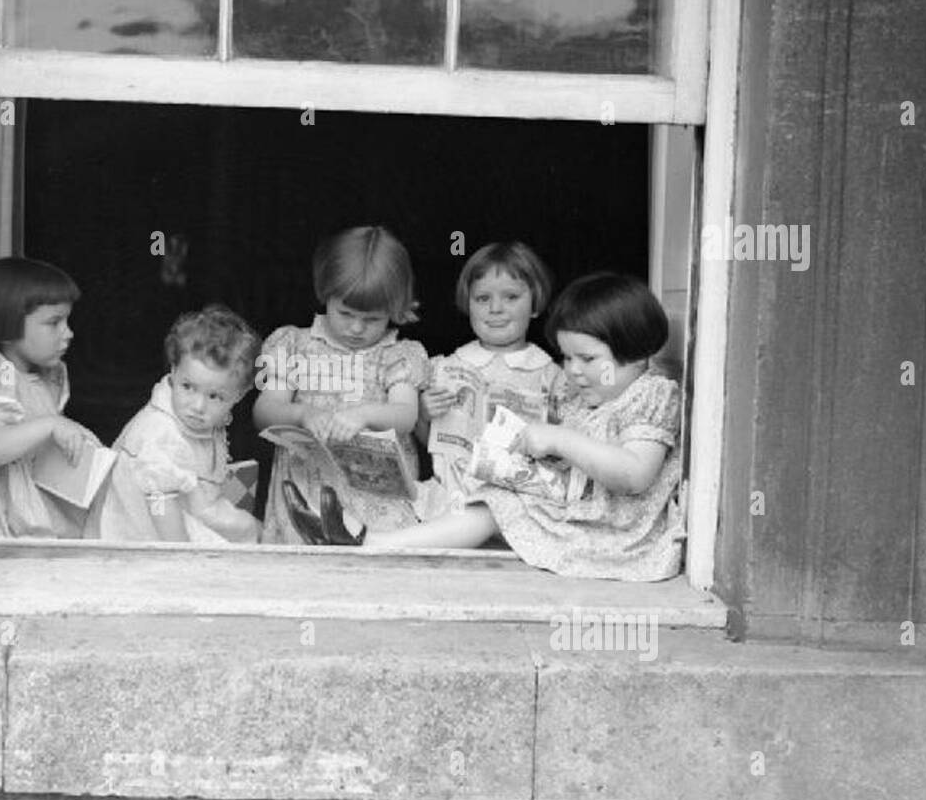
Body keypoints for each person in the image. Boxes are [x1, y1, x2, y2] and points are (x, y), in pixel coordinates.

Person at [287, 272, 685, 582]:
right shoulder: (592, 396)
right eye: (566, 358)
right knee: (476, 491)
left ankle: (374, 544)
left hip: (615, 533)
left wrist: (560, 439)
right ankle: (361, 535)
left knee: (496, 503)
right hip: (575, 507)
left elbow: (634, 474)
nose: (573, 371)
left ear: (635, 351)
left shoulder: (650, 394)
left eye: (586, 358)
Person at [254, 226, 429, 543]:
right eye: (345, 313)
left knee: (375, 575)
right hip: (307, 488)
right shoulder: (293, 344)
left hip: (376, 500)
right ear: (325, 293)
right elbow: (264, 411)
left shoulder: (398, 355)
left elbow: (406, 415)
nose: (357, 328)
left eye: (374, 318)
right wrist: (302, 414)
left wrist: (364, 414)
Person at [415, 241, 563, 519]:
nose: (496, 308)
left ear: (535, 303)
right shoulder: (449, 367)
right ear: (468, 304)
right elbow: (433, 444)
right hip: (454, 494)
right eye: (483, 299)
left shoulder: (550, 373)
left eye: (511, 297)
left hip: (521, 501)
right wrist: (423, 415)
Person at [98, 304, 262, 544]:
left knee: (254, 531)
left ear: (239, 395)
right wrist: (180, 555)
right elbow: (160, 502)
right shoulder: (159, 433)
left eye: (214, 396)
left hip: (192, 512)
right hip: (148, 535)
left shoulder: (192, 419)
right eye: (188, 387)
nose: (197, 406)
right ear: (174, 371)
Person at [0, 256, 104, 539]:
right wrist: (50, 425)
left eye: (67, 320)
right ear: (8, 322)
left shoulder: (42, 377)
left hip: (37, 510)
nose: (68, 333)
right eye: (54, 322)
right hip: (4, 525)